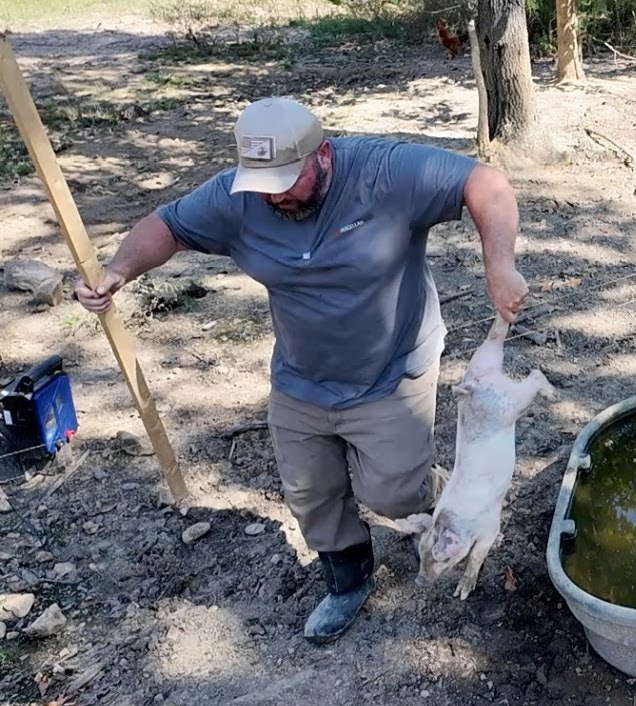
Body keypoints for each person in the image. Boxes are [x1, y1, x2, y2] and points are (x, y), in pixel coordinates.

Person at [75, 96, 529, 643]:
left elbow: (486, 184)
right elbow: (167, 226)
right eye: (263, 183)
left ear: (324, 155)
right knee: (309, 492)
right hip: (302, 376)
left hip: (390, 369)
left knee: (393, 496)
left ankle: (423, 489)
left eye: (287, 180)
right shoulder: (237, 196)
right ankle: (348, 582)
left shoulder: (383, 171)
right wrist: (119, 271)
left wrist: (499, 265)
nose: (275, 194)